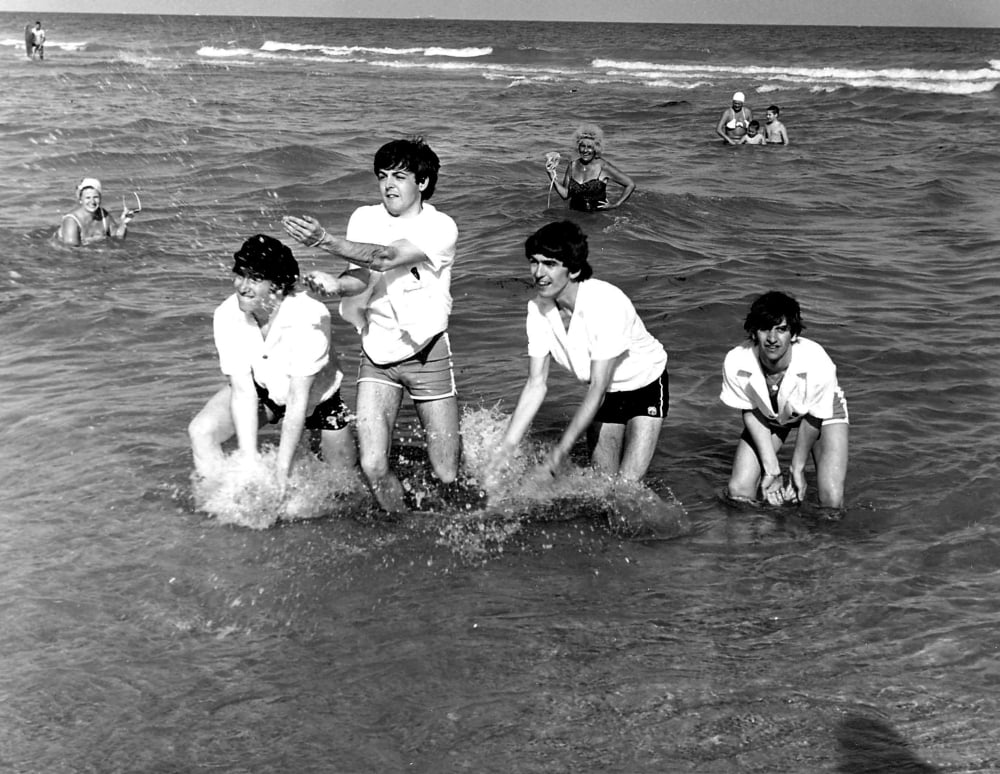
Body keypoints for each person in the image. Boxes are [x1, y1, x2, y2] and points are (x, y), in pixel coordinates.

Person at [281, 137, 461, 514]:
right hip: (377, 353)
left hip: (427, 354)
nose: (388, 185)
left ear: (423, 183)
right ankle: (401, 525)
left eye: (399, 176)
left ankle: (453, 530)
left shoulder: (441, 227)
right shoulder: (364, 217)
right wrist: (334, 286)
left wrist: (325, 241)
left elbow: (385, 258)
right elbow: (359, 277)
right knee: (373, 464)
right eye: (382, 176)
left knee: (446, 472)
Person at [486, 220, 669, 487]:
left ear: (574, 270)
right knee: (602, 485)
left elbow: (597, 388)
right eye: (533, 262)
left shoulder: (607, 304)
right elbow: (536, 384)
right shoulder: (538, 309)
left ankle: (677, 527)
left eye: (549, 264)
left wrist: (556, 458)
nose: (538, 273)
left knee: (627, 489)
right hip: (606, 394)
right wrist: (504, 452)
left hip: (645, 386)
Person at [188, 234, 356, 488]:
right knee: (201, 431)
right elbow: (243, 392)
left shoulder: (309, 316)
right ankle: (225, 498)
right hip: (264, 388)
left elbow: (298, 401)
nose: (242, 286)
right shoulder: (226, 314)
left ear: (277, 286)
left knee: (344, 486)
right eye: (240, 274)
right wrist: (248, 461)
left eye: (255, 279)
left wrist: (281, 471)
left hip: (318, 399)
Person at [720, 291, 848, 508]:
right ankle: (760, 533)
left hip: (821, 413)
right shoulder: (736, 361)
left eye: (781, 330)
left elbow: (814, 418)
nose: (772, 339)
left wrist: (796, 468)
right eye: (764, 329)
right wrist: (772, 468)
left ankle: (824, 539)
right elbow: (750, 411)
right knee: (739, 490)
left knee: (831, 499)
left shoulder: (818, 361)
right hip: (770, 413)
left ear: (794, 334)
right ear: (753, 333)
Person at [547, 124, 635, 212]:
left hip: (597, 219)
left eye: (589, 147)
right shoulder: (572, 166)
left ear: (596, 149)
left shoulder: (603, 167)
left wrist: (615, 205)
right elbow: (565, 195)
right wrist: (552, 176)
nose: (585, 150)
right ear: (578, 147)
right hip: (575, 215)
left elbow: (630, 184)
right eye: (582, 146)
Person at [59, 178, 135, 246]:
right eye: (88, 198)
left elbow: (118, 238)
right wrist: (99, 252)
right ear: (80, 200)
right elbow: (70, 251)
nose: (92, 201)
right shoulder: (71, 220)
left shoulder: (103, 215)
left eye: (95, 197)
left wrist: (124, 223)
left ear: (100, 198)